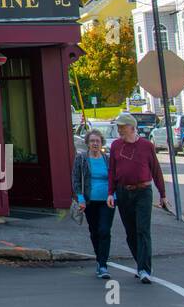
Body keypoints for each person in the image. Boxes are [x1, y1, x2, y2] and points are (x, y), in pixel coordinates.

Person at [107, 112, 169, 283]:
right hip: (123, 192)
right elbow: (112, 170)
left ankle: (144, 269)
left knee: (143, 230)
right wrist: (110, 193)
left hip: (143, 191)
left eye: (122, 127)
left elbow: (156, 170)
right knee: (131, 232)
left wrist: (162, 194)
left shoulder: (146, 146)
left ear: (132, 128)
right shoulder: (116, 146)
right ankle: (140, 263)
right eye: (118, 127)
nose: (119, 130)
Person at [72, 128, 114, 279]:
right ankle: (99, 258)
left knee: (104, 230)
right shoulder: (81, 159)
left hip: (107, 201)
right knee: (95, 231)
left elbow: (114, 179)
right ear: (87, 143)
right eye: (92, 141)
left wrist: (113, 195)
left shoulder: (107, 159)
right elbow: (76, 180)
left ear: (101, 142)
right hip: (89, 201)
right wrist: (81, 199)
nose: (95, 144)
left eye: (97, 141)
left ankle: (103, 265)